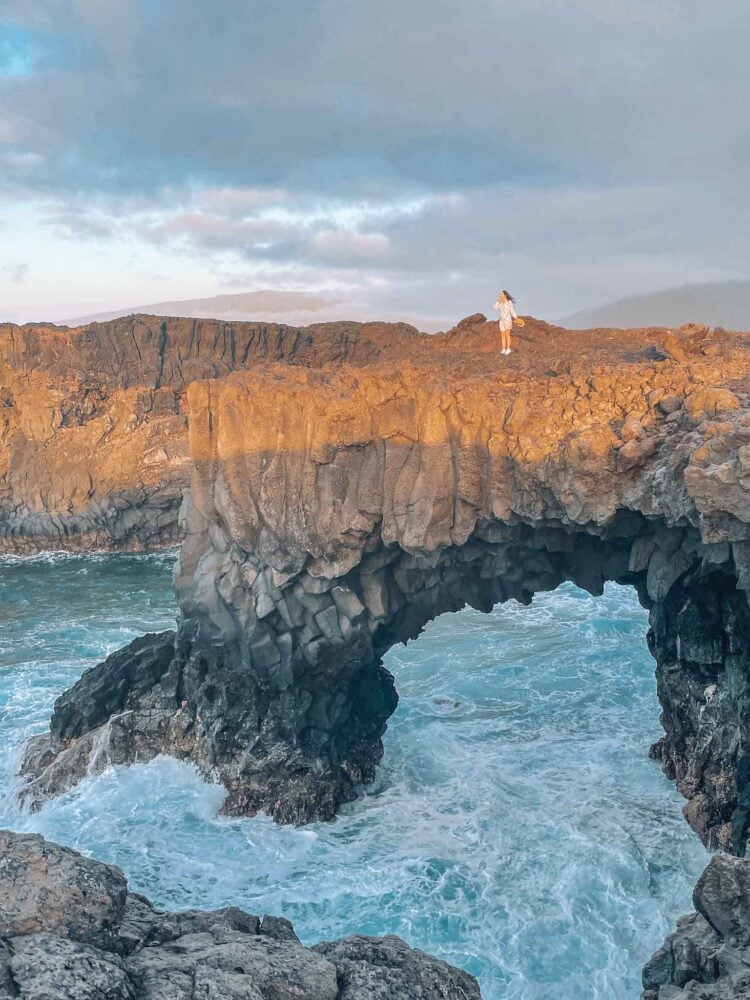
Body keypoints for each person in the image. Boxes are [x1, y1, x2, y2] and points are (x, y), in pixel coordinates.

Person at [493, 290, 518, 354]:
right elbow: (494, 308)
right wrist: (498, 301)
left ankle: (508, 349)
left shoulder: (509, 302)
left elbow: (512, 311)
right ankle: (504, 349)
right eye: (500, 294)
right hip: (502, 320)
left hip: (508, 319)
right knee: (503, 334)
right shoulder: (500, 302)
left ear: (505, 295)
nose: (500, 295)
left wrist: (516, 317)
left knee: (507, 334)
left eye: (502, 294)